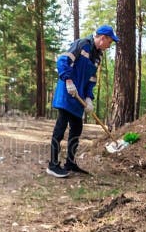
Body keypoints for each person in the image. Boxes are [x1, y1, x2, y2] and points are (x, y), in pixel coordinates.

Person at [46, 25, 119, 178]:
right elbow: (62, 61)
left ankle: (70, 162)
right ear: (102, 38)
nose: (109, 46)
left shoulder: (98, 56)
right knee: (61, 127)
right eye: (110, 42)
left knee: (77, 128)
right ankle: (53, 165)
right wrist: (68, 81)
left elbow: (91, 79)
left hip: (78, 98)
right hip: (67, 93)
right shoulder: (82, 44)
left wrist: (88, 98)